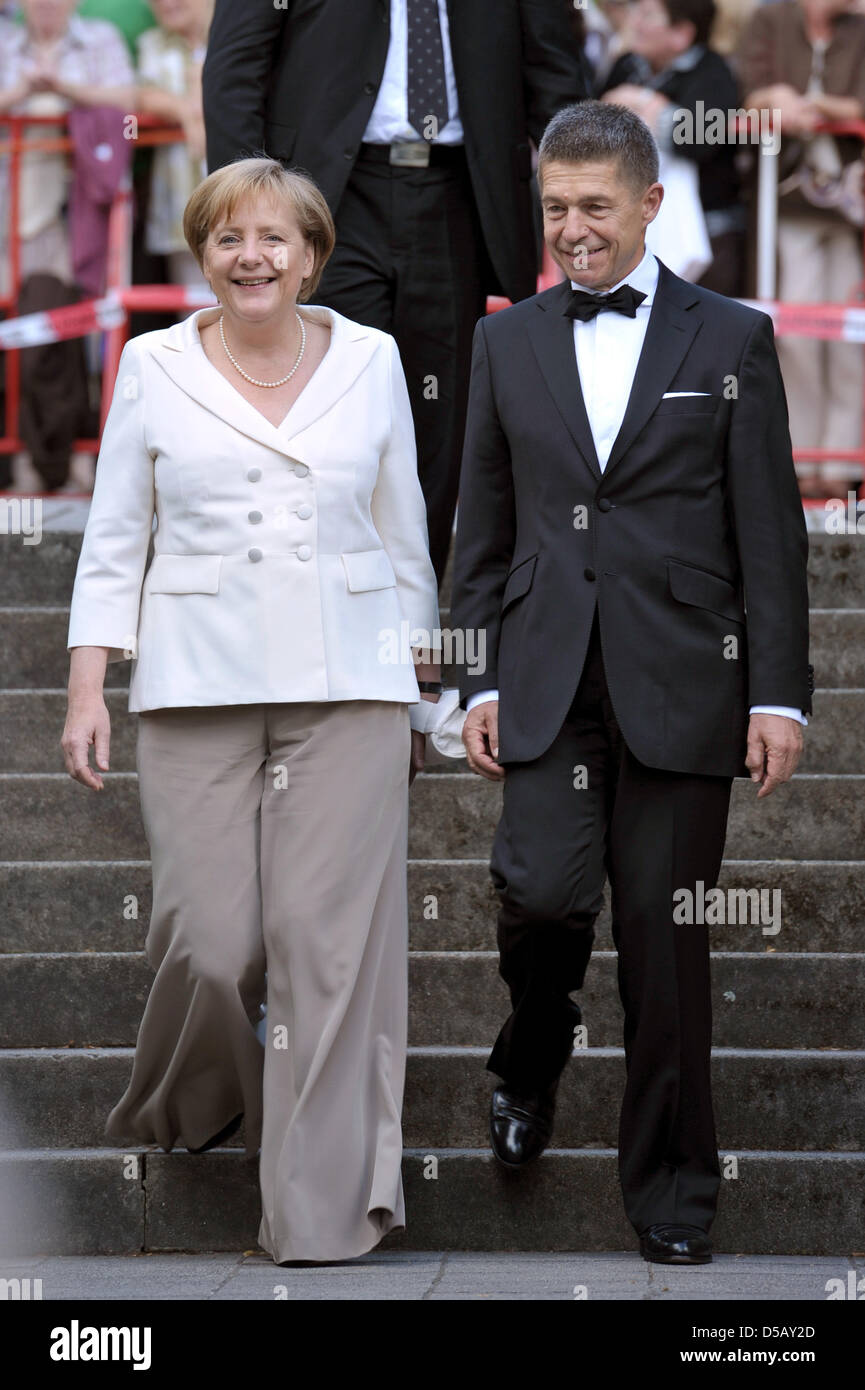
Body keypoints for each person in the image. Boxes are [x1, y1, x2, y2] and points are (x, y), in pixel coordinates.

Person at [62, 157, 442, 1264]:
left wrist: (421, 694)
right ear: (202, 252)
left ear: (312, 255)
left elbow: (402, 529)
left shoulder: (370, 358)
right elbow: (115, 533)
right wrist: (89, 680)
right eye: (229, 238)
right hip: (195, 683)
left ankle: (318, 1220)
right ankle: (203, 1096)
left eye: (275, 238)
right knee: (210, 940)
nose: (252, 257)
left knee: (327, 953)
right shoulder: (152, 362)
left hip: (352, 684)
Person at [451, 100, 813, 1265]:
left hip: (686, 685)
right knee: (544, 892)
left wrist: (777, 693)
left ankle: (671, 1194)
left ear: (650, 204)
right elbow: (482, 529)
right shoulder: (503, 340)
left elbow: (770, 530)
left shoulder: (731, 339)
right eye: (554, 208)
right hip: (548, 675)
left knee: (666, 949)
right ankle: (532, 1044)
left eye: (594, 208)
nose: (572, 230)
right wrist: (472, 682)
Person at [200, 0, 588, 585]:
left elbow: (555, 72)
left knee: (436, 421)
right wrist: (246, 211)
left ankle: (414, 626)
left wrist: (584, 194)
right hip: (323, 196)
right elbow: (234, 69)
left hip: (460, 195)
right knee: (327, 404)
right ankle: (312, 606)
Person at [738, 0, 865, 497]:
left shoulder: (858, 29)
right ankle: (801, 454)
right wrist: (773, 99)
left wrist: (817, 106)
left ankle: (841, 460)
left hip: (852, 210)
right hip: (789, 201)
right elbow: (747, 95)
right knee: (795, 331)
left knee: (850, 332)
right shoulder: (770, 19)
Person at [600, 0, 746, 296]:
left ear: (681, 33)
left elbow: (700, 138)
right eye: (636, 11)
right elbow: (595, 120)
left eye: (649, 15)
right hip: (631, 225)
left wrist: (643, 103)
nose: (636, 22)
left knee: (702, 326)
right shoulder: (625, 65)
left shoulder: (713, 71)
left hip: (706, 231)